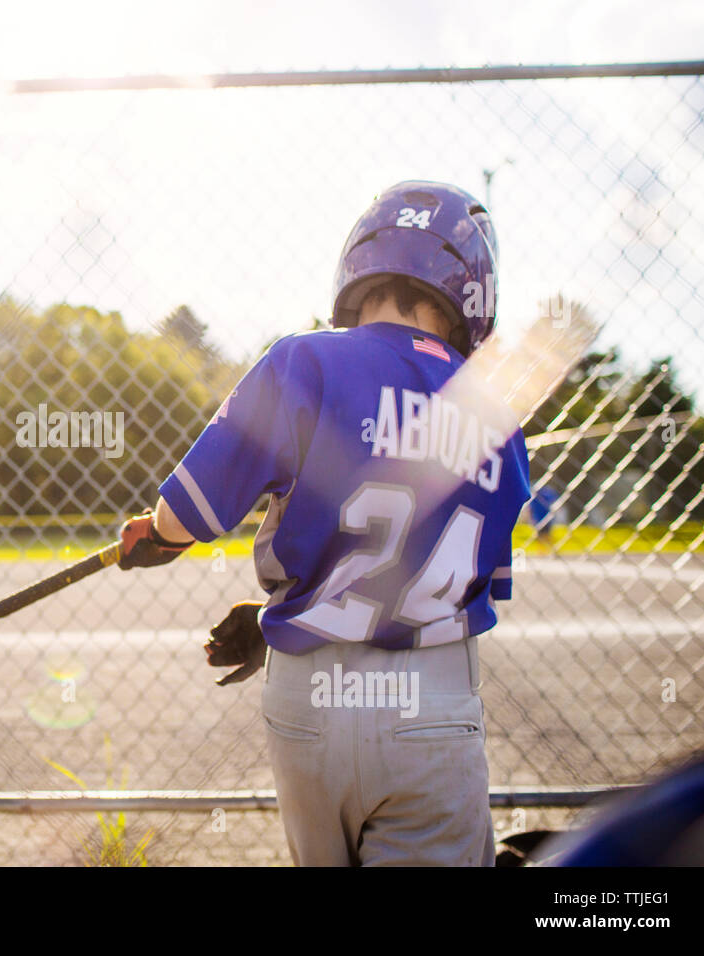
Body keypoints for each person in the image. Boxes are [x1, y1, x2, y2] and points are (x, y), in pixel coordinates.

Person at [117, 181, 530, 866]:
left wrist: (161, 534)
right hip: (432, 703)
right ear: (472, 291)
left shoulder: (303, 361)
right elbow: (470, 587)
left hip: (306, 700)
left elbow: (185, 512)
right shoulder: (496, 416)